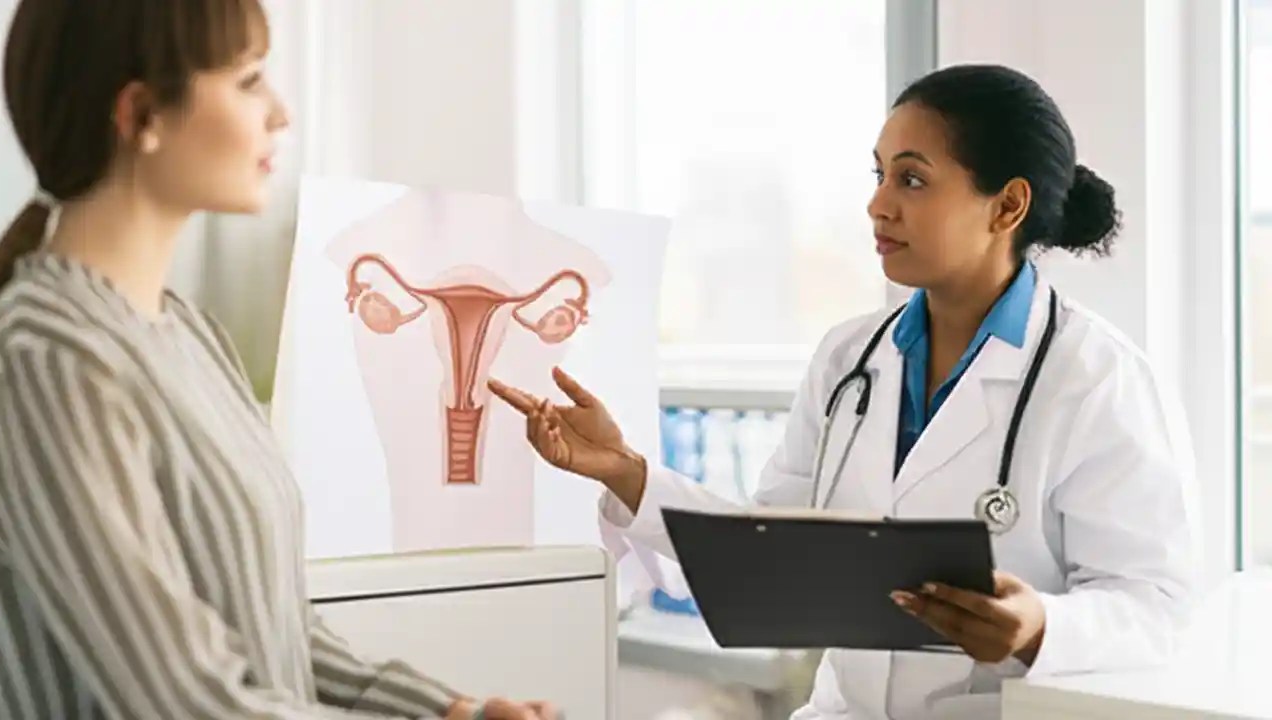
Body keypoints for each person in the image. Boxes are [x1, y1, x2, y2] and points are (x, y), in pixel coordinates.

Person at [490, 64, 1199, 720]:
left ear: (1007, 205)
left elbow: (1154, 604)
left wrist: (1043, 624)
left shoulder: (1096, 376)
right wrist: (625, 470)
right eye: (879, 174)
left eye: (912, 180)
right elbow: (770, 541)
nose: (877, 205)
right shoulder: (849, 356)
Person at [0, 1, 555, 719]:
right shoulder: (51, 359)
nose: (281, 114)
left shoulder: (190, 336)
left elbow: (273, 632)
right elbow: (182, 699)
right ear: (141, 116)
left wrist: (450, 711)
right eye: (250, 80)